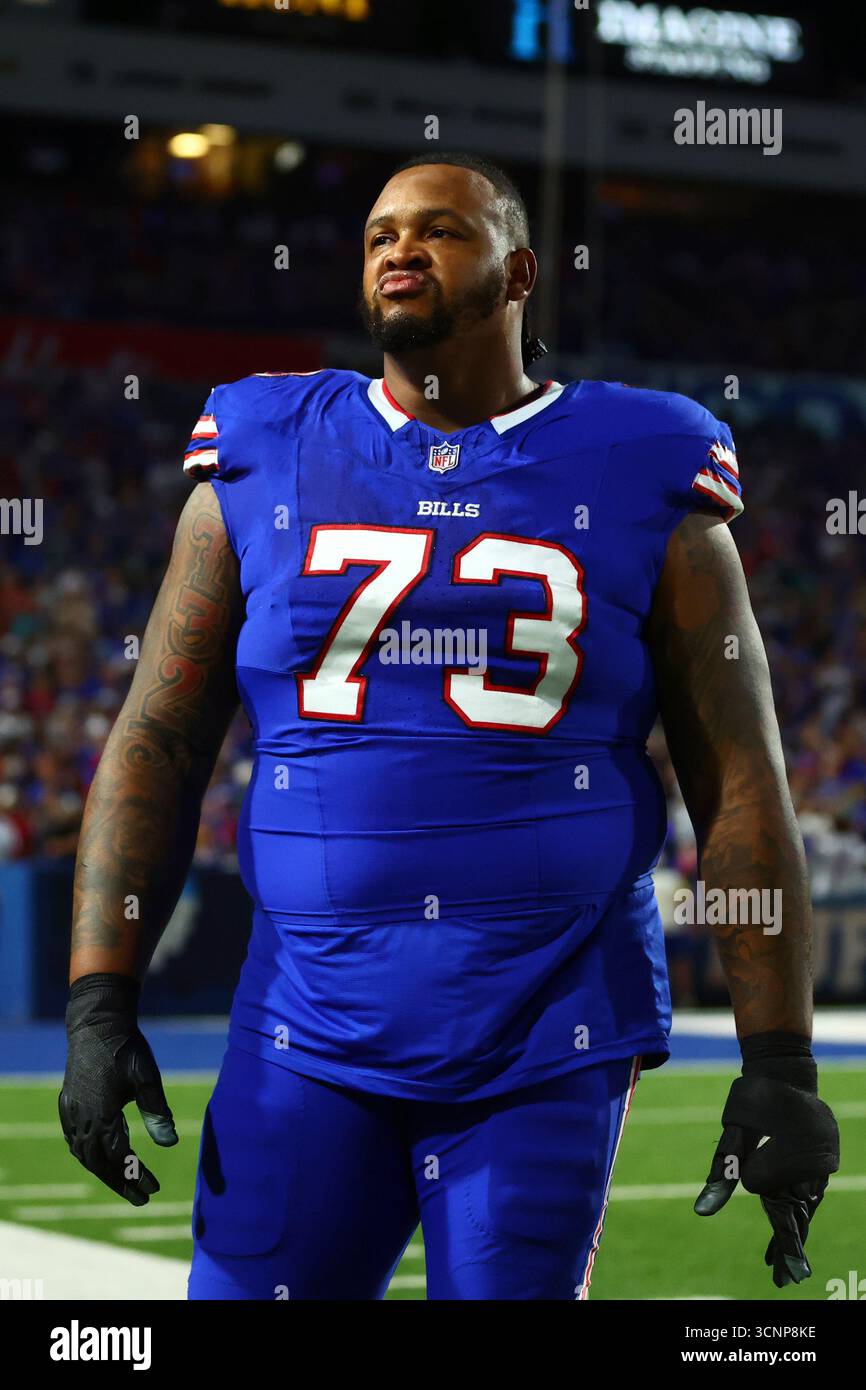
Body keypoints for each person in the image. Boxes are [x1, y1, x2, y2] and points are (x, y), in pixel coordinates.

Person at [59, 152, 838, 1300]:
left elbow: (737, 776)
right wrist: (98, 997)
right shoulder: (268, 443)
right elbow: (158, 740)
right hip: (304, 1023)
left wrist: (778, 1058)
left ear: (520, 269)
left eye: (437, 230)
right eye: (378, 234)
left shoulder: (641, 464)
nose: (397, 250)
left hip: (547, 1031)